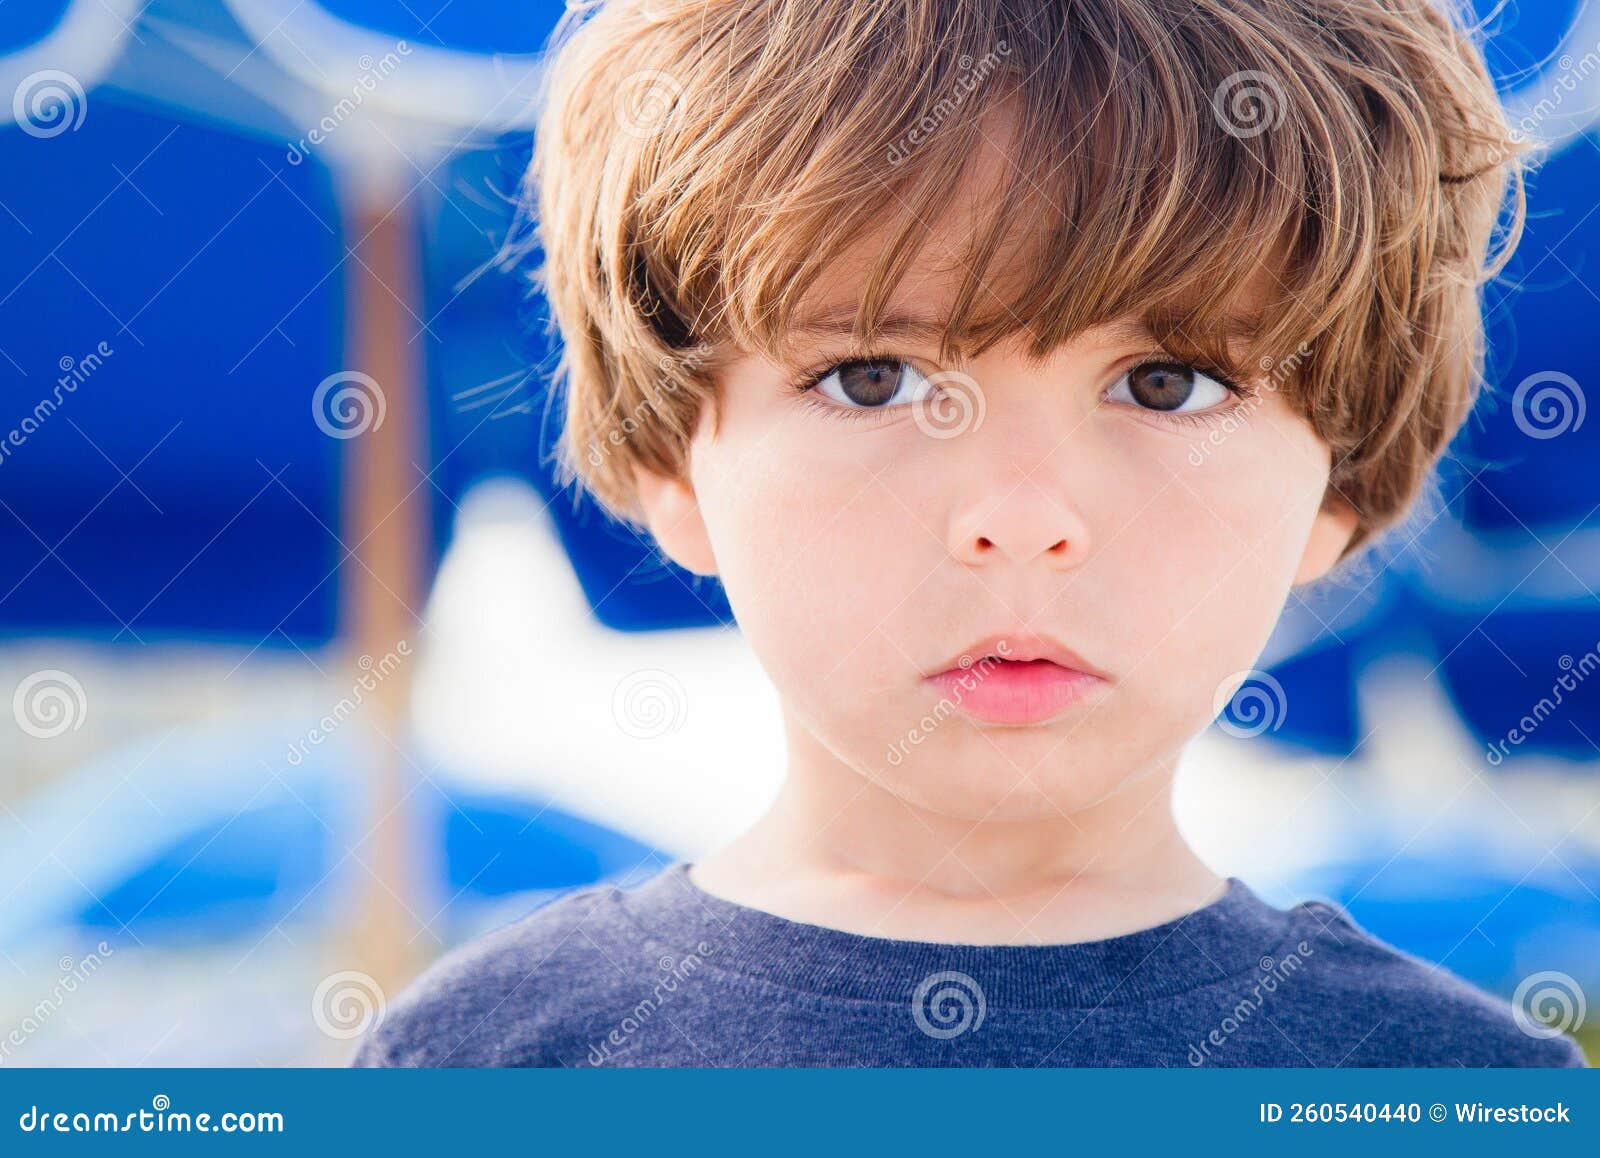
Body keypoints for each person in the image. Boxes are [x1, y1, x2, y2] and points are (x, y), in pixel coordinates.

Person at [354, 0, 1587, 1066]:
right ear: (673, 454)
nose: (1020, 519)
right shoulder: (482, 1068)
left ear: (1339, 478)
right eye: (873, 380)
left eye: (1167, 384)